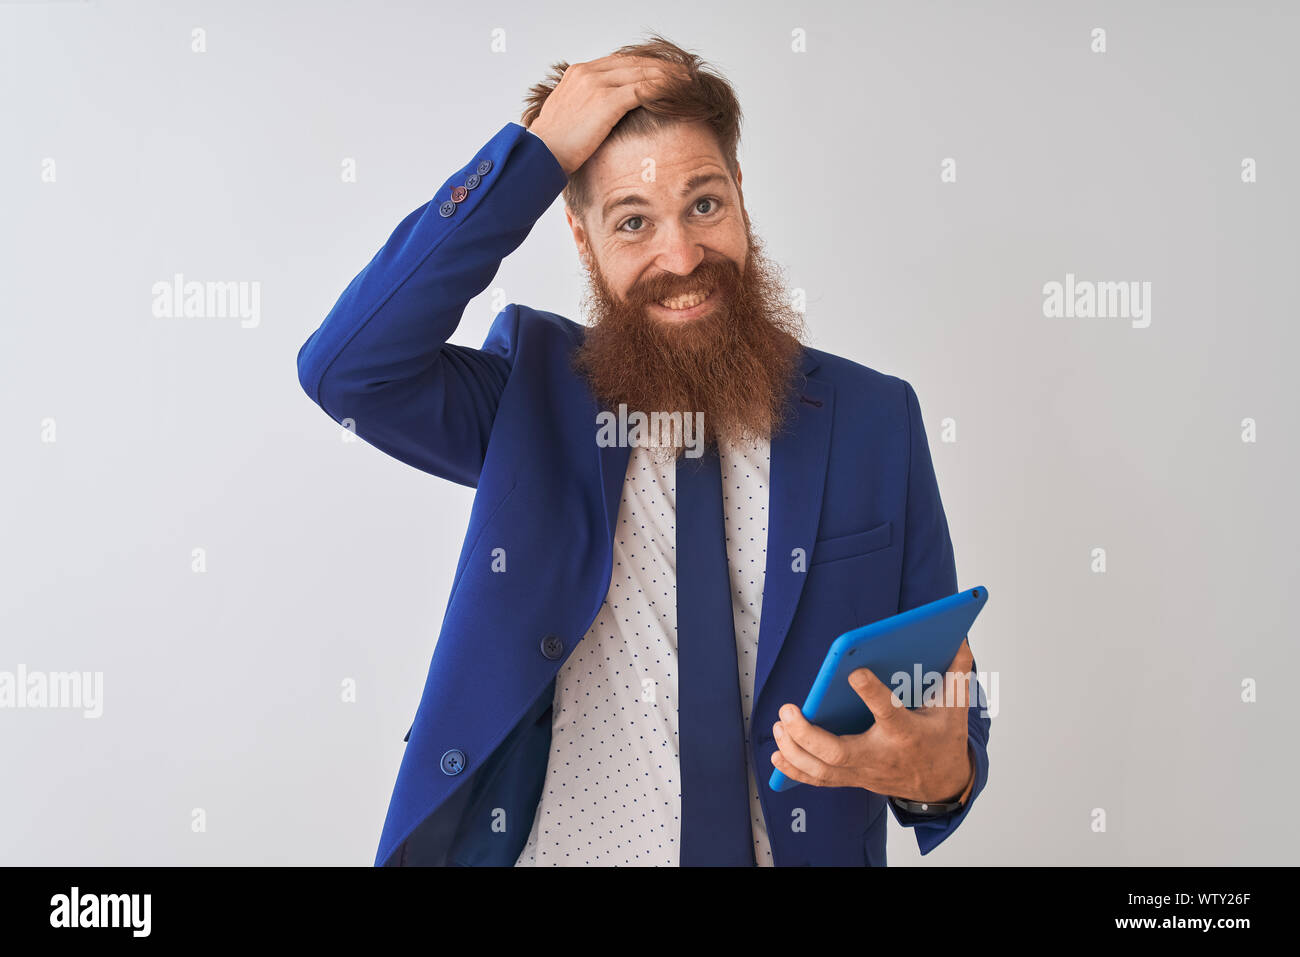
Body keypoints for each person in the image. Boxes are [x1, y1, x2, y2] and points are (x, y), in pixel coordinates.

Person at [296, 34, 990, 867]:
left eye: (704, 204)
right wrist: (536, 159)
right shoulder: (532, 397)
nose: (683, 257)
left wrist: (936, 773)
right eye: (633, 221)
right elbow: (346, 370)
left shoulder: (877, 417)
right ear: (582, 241)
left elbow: (944, 715)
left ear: (741, 193)